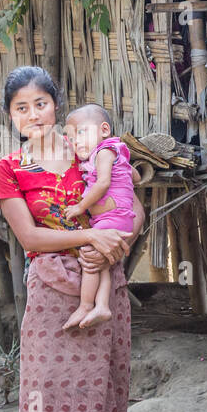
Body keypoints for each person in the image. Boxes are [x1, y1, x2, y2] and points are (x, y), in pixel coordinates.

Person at [0, 66, 159, 412]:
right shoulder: (10, 169)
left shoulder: (85, 153)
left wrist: (116, 242)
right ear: (11, 117)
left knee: (107, 403)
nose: (33, 114)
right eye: (21, 108)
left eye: (40, 104)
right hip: (50, 294)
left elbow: (128, 204)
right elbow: (31, 238)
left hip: (104, 279)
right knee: (41, 402)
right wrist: (90, 236)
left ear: (56, 108)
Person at [61, 104, 136, 330]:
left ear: (104, 130)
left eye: (82, 132)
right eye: (73, 139)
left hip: (114, 217)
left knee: (90, 263)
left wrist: (79, 207)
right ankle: (102, 305)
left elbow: (103, 183)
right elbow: (135, 175)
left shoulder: (105, 151)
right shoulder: (110, 152)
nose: (77, 142)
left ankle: (85, 305)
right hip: (113, 217)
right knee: (102, 264)